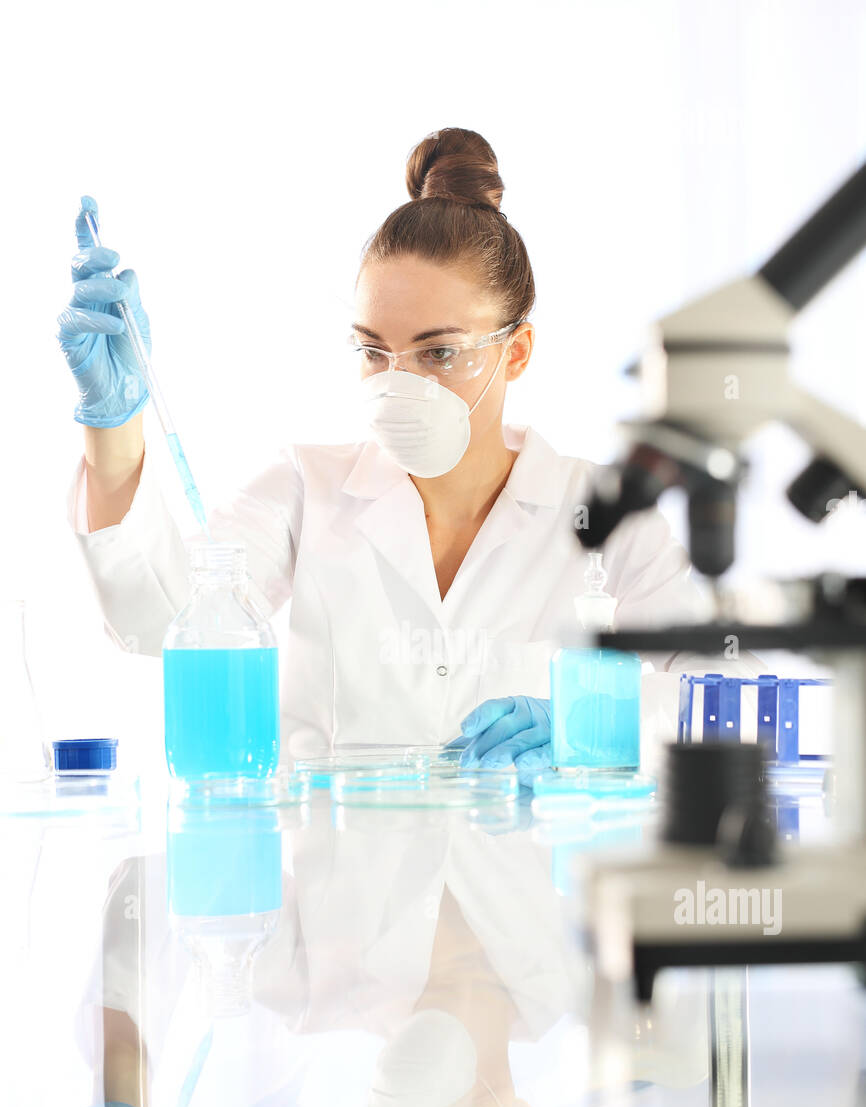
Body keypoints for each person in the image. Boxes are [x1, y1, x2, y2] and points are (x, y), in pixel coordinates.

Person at [59, 127, 709, 782]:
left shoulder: (608, 513)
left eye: (439, 352)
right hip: (344, 880)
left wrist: (602, 722)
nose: (398, 384)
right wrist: (114, 427)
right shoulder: (303, 489)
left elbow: (731, 698)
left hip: (532, 877)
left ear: (516, 352)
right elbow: (161, 623)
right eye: (374, 351)